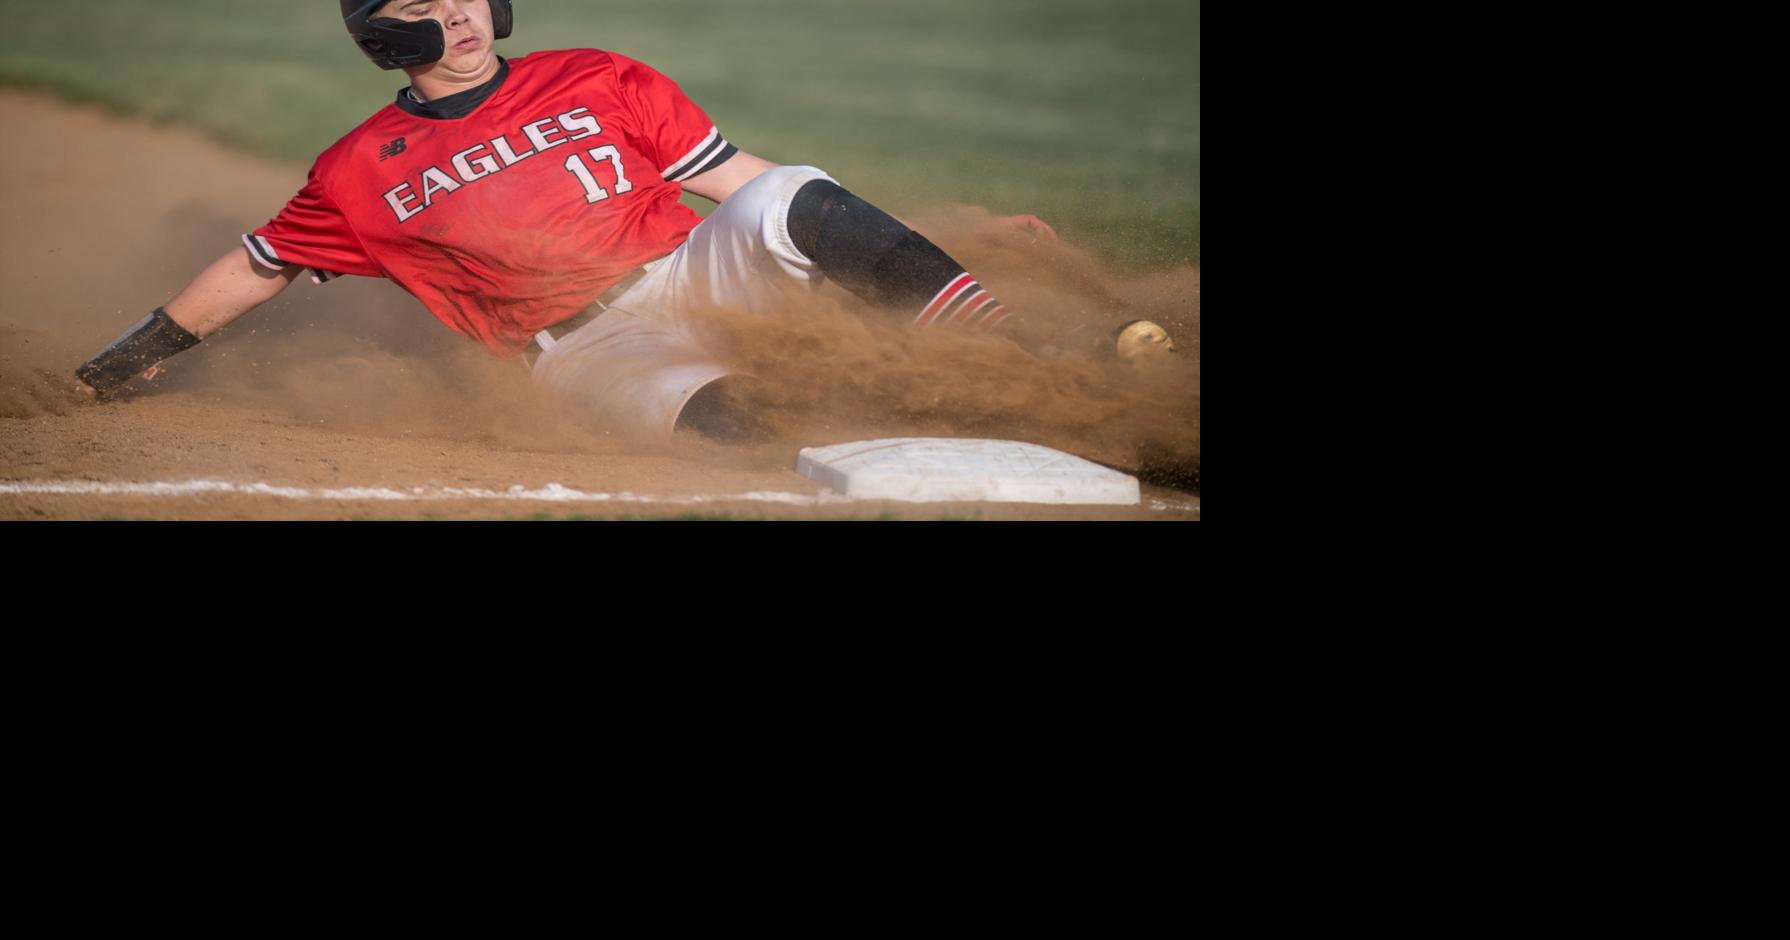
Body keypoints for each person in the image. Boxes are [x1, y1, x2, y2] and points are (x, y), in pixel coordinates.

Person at [74, 0, 1172, 442]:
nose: (456, 12)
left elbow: (743, 184)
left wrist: (888, 231)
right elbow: (258, 266)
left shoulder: (595, 76)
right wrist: (135, 354)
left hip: (697, 271)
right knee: (738, 427)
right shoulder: (357, 169)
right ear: (383, 30)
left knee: (788, 185)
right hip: (589, 348)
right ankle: (933, 426)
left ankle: (1026, 357)